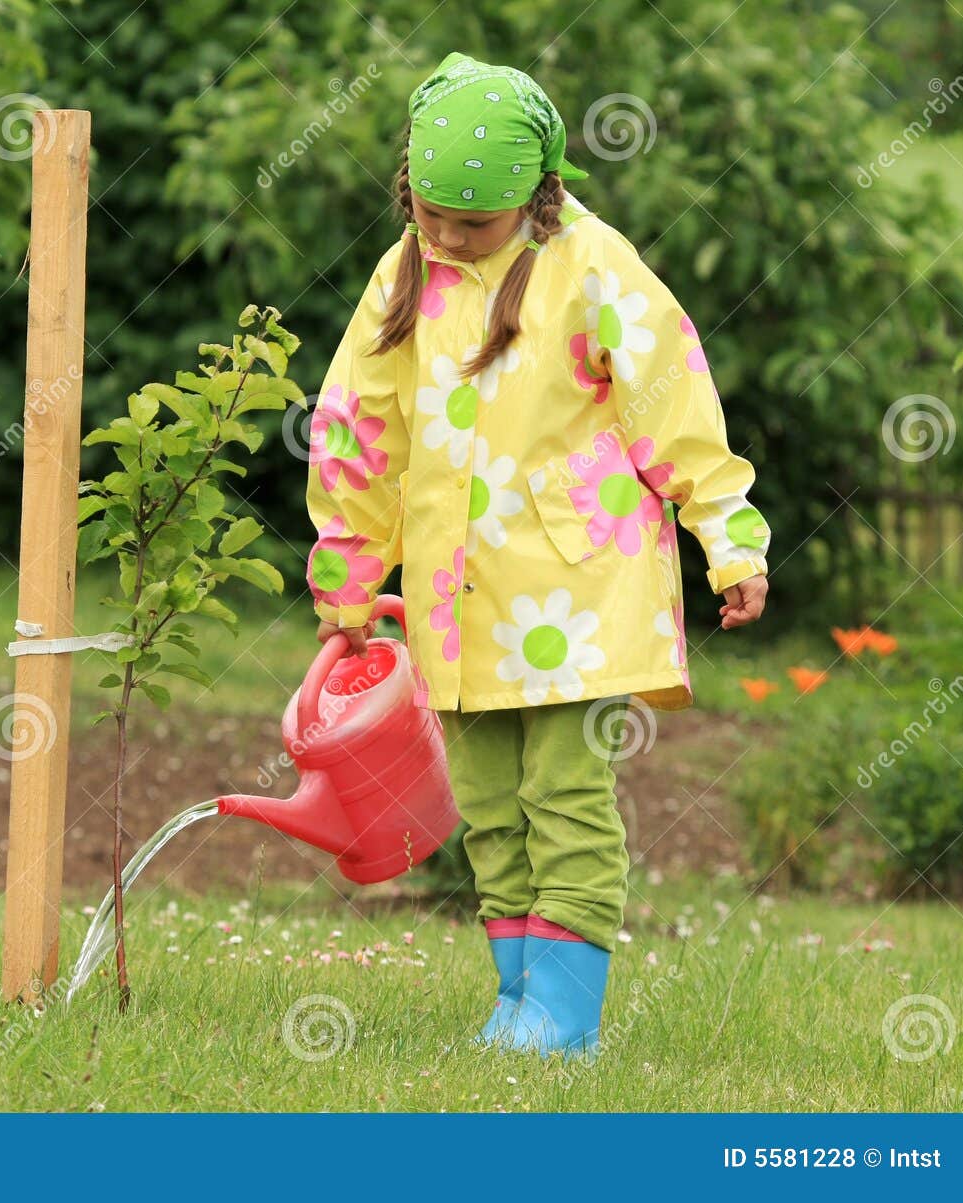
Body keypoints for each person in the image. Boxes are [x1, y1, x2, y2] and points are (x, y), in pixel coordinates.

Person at [305, 51, 770, 1058]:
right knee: (486, 806)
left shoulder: (594, 267)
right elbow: (358, 428)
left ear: (537, 192)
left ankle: (565, 1014)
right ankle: (517, 996)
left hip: (574, 588)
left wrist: (729, 542)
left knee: (562, 794)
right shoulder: (404, 274)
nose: (442, 235)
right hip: (452, 596)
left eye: (468, 223)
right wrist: (346, 572)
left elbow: (674, 409)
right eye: (426, 211)